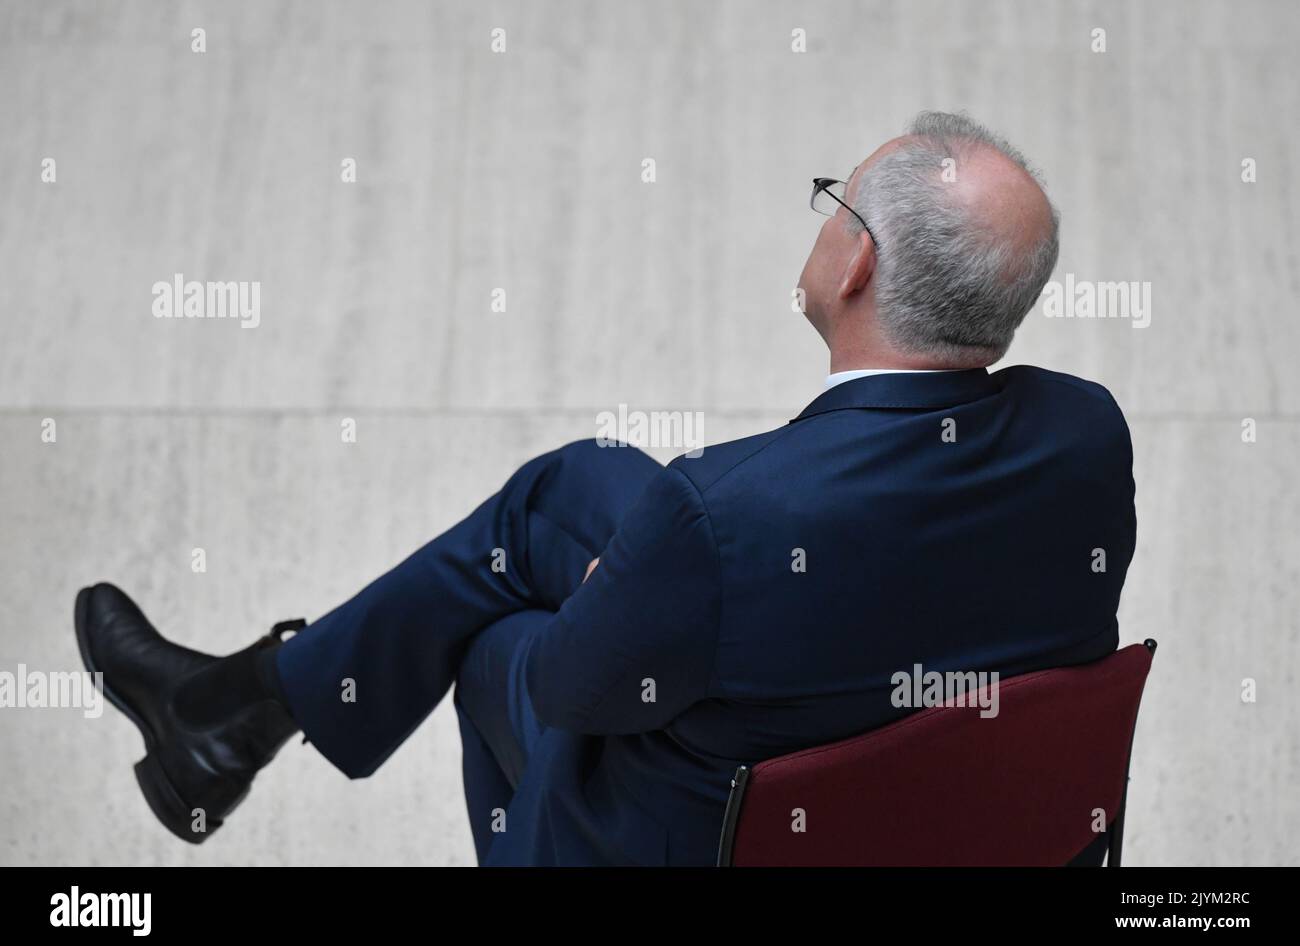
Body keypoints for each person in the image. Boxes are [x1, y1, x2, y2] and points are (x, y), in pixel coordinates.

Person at [75, 111, 1136, 866]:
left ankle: (226, 721)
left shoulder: (720, 515)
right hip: (954, 820)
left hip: (694, 834)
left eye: (833, 203)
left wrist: (616, 589)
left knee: (491, 643)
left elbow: (570, 689)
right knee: (569, 485)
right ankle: (233, 713)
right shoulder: (1086, 433)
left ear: (856, 264)